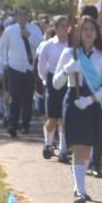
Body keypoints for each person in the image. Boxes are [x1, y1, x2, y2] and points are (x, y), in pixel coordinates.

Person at [53, 16, 102, 203]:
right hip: (74, 100)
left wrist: (91, 99)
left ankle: (79, 182)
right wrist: (67, 70)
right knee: (78, 146)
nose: (88, 32)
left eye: (92, 29)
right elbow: (56, 84)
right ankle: (80, 190)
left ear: (97, 33)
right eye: (84, 29)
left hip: (92, 101)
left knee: (88, 147)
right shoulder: (69, 54)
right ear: (78, 32)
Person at [0, 7, 43, 138]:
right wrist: (5, 64)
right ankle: (13, 124)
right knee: (15, 97)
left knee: (28, 97)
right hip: (14, 67)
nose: (22, 17)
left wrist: (29, 37)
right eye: (20, 14)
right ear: (16, 16)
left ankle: (25, 124)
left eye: (25, 14)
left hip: (30, 68)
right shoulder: (9, 30)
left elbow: (41, 46)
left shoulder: (34, 30)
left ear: (28, 16)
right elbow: (1, 49)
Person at [36, 16, 71, 160]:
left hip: (67, 81)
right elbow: (41, 67)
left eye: (66, 25)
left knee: (65, 118)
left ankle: (63, 150)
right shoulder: (48, 45)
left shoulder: (72, 45)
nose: (64, 29)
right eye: (61, 26)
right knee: (52, 118)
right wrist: (47, 81)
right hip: (52, 81)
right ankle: (48, 144)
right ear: (55, 28)